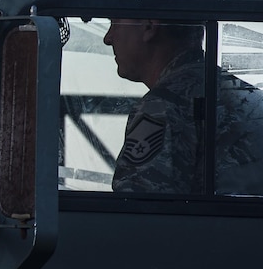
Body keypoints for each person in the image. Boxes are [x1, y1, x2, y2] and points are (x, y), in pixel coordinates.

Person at [102, 18, 263, 194]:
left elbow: (140, 210)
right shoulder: (249, 97)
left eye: (115, 23)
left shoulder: (164, 105)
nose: (108, 38)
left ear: (149, 26)